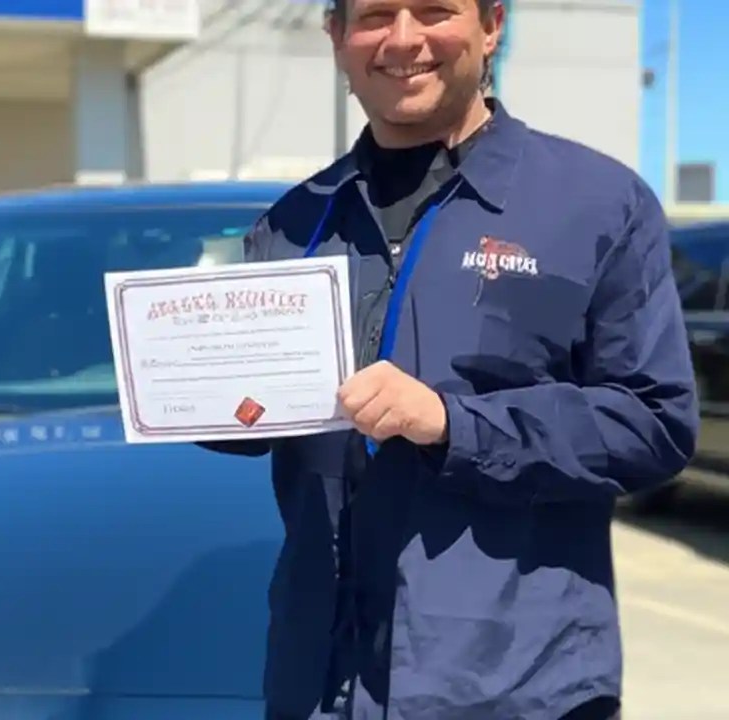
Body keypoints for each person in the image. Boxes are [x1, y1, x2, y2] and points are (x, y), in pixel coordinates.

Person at [201, 1, 699, 718]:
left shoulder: (596, 205)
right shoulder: (292, 224)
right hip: (319, 681)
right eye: (374, 16)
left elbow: (656, 424)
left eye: (433, 10)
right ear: (337, 37)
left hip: (516, 685)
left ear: (491, 25)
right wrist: (200, 397)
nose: (403, 40)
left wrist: (452, 424)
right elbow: (252, 415)